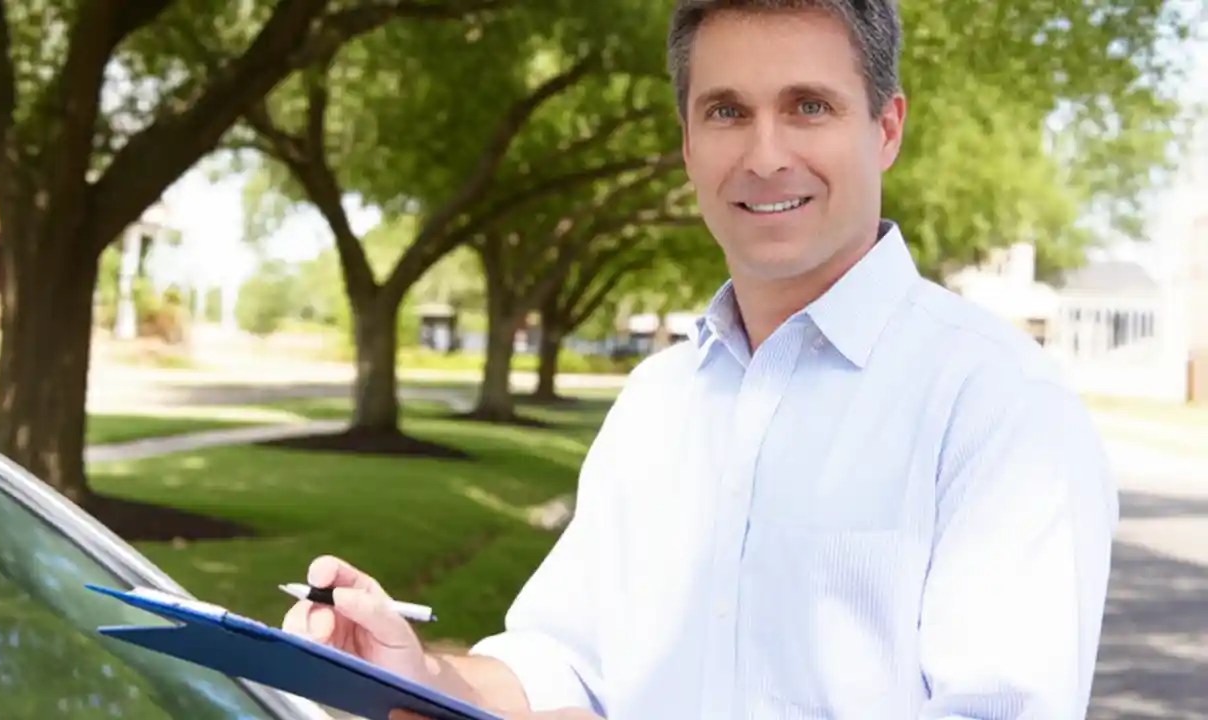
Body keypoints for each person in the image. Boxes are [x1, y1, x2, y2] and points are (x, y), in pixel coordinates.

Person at [283, 1, 1120, 718]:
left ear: (886, 129)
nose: (765, 155)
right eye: (726, 112)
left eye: (809, 107)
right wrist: (417, 675)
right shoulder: (658, 399)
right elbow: (565, 665)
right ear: (687, 143)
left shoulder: (1000, 403)